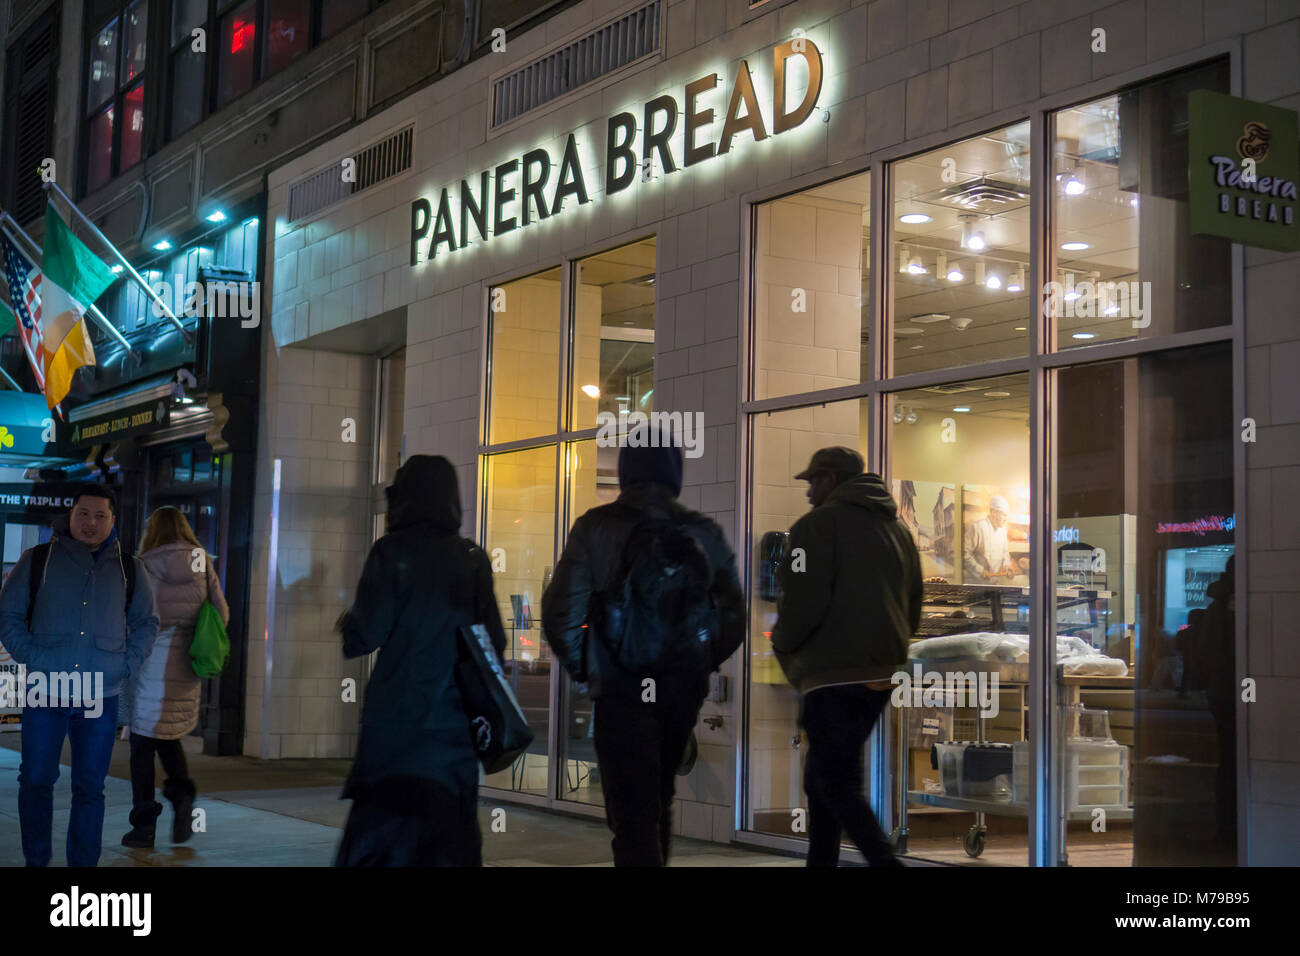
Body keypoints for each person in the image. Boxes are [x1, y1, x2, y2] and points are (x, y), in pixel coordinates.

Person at [542, 426, 745, 866]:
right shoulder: (702, 531)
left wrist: (591, 669)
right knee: (658, 798)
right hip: (678, 691)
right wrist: (697, 666)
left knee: (631, 812)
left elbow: (561, 614)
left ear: (625, 472)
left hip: (620, 688)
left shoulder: (594, 528)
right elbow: (734, 617)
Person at [334, 455, 507, 867]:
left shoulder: (391, 554)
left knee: (385, 835)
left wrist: (347, 624)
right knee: (448, 836)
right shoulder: (472, 559)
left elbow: (365, 635)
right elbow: (493, 644)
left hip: (396, 725)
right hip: (453, 728)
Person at [771, 447, 921, 867]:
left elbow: (801, 601)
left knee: (836, 784)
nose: (808, 491)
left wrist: (783, 645)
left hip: (830, 675)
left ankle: (885, 863)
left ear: (832, 480)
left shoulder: (816, 527)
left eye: (813, 481)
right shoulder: (899, 532)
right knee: (821, 780)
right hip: (880, 673)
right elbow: (914, 606)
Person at [0, 485, 158, 867]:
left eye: (100, 515)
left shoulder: (129, 568)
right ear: (70, 515)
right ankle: (36, 860)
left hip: (98, 693)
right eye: (83, 514)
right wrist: (33, 656)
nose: (90, 523)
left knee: (90, 786)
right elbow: (8, 616)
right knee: (36, 779)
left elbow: (146, 623)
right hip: (45, 689)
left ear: (113, 521)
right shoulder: (37, 559)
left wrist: (124, 665)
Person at [119, 506, 229, 849]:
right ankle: (182, 797)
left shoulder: (146, 563)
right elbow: (221, 612)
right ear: (184, 528)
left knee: (141, 745)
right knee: (169, 736)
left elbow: (134, 615)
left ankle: (144, 826)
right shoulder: (201, 560)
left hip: (151, 662)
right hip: (186, 663)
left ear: (152, 530)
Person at [963, 495, 1015, 583]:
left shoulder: (1003, 530)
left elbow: (1005, 552)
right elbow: (965, 553)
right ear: (994, 512)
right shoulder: (978, 527)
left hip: (995, 582)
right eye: (1004, 515)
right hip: (978, 581)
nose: (1006, 519)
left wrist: (1007, 565)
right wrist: (980, 570)